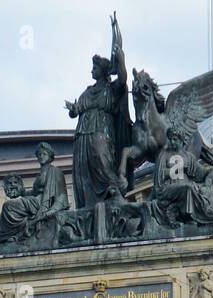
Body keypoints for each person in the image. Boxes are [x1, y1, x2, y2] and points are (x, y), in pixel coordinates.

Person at [65, 14, 131, 211]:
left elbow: (123, 77)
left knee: (102, 161)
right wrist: (73, 109)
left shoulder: (111, 89)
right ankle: (88, 205)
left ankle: (114, 193)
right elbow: (76, 112)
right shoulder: (87, 91)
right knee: (83, 168)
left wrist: (120, 56)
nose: (91, 71)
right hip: (82, 134)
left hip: (102, 132)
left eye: (94, 67)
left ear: (102, 71)